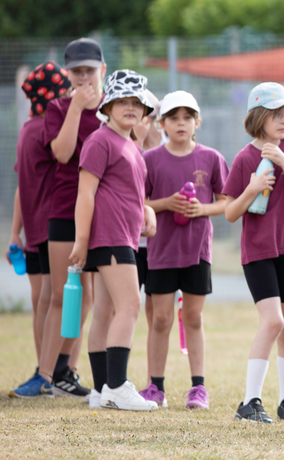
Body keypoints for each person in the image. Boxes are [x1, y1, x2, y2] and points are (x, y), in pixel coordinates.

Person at [223, 83, 284, 423]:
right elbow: (231, 213)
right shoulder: (245, 157)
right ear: (258, 117)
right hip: (258, 252)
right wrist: (252, 188)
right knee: (273, 321)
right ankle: (250, 402)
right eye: (276, 114)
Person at [69, 69, 158, 411]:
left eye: (136, 103)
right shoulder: (100, 140)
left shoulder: (131, 144)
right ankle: (117, 386)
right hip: (109, 237)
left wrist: (146, 212)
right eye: (122, 101)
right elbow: (85, 194)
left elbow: (128, 193)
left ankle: (100, 391)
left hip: (123, 235)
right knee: (130, 306)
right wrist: (81, 241)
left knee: (105, 311)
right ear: (107, 106)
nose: (131, 108)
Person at [138, 91, 229, 410]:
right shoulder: (149, 160)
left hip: (196, 252)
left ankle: (198, 389)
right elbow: (138, 202)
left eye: (187, 117)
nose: (180, 123)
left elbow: (226, 202)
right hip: (160, 252)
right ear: (160, 123)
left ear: (197, 122)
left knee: (192, 317)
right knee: (160, 319)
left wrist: (201, 210)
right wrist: (166, 204)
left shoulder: (211, 158)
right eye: (173, 118)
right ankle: (155, 388)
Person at [39, 38, 108, 400]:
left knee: (91, 297)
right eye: (77, 71)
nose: (84, 77)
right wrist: (76, 109)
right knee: (62, 294)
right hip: (65, 209)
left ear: (103, 70)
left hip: (104, 212)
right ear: (67, 73)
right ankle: (46, 374)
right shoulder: (58, 108)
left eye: (90, 70)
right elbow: (63, 154)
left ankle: (66, 369)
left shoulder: (113, 109)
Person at [8, 63, 72, 398]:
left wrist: (14, 233)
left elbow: (20, 185)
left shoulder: (26, 128)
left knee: (42, 302)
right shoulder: (49, 128)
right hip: (51, 225)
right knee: (63, 298)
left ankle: (43, 371)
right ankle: (58, 373)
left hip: (33, 228)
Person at [130, 89, 161, 391]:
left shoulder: (166, 150)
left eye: (151, 114)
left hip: (160, 248)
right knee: (124, 310)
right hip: (130, 245)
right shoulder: (127, 147)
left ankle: (154, 382)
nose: (146, 120)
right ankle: (114, 380)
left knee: (155, 314)